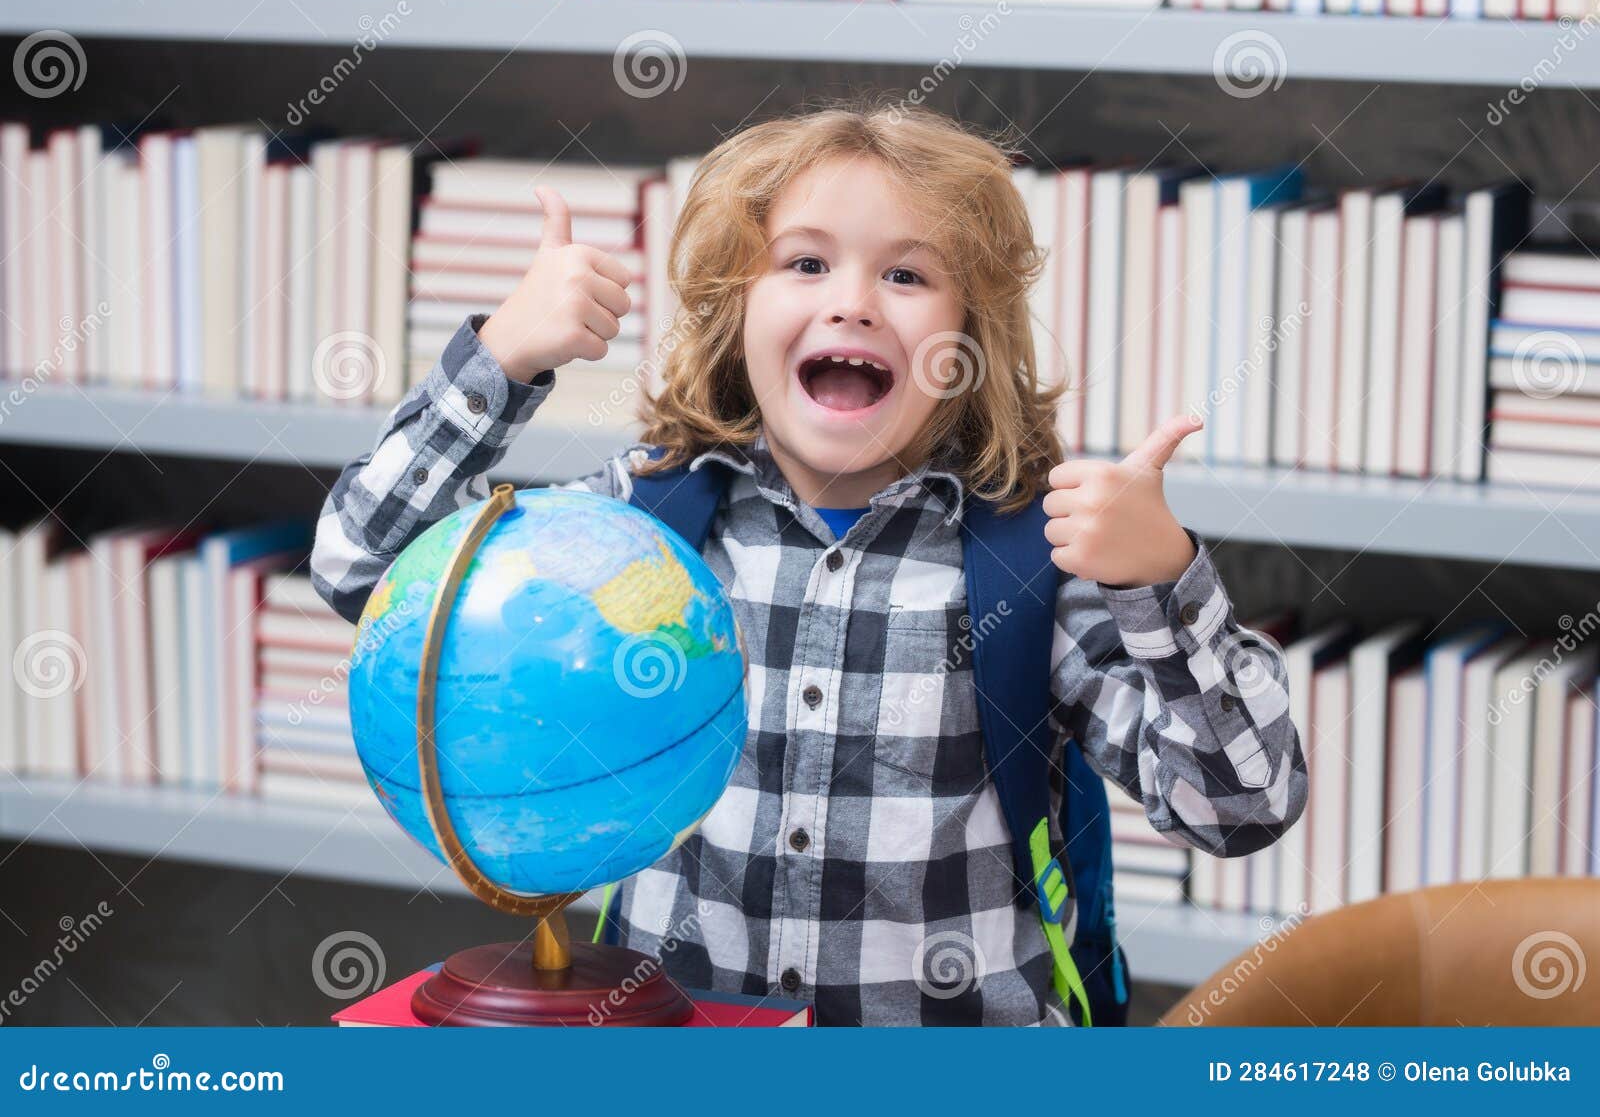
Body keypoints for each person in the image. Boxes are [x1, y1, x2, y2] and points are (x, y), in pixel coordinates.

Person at [310, 97, 1307, 1027]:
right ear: (732, 311)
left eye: (907, 275)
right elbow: (361, 566)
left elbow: (1243, 805)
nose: (854, 304)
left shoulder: (1030, 562)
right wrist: (502, 359)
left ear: (967, 339)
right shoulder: (639, 522)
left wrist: (1160, 578)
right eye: (803, 264)